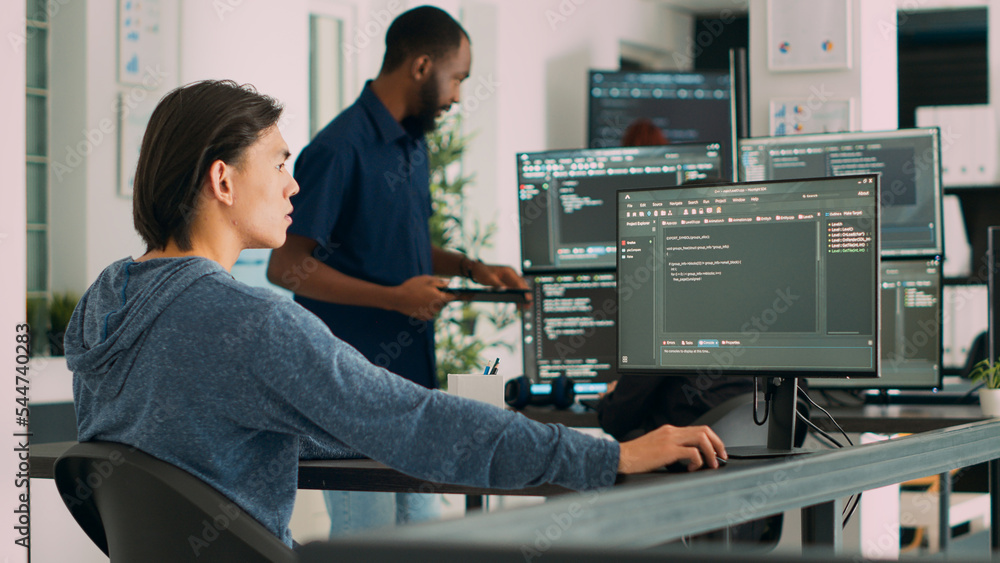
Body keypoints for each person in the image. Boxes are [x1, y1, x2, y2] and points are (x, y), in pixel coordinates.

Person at [65, 79, 728, 550]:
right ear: (223, 180)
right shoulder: (253, 323)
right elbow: (416, 421)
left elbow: (191, 425)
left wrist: (346, 406)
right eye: (279, 162)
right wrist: (606, 455)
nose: (295, 183)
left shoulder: (103, 304)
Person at [266, 6, 525, 533]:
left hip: (412, 392)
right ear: (423, 66)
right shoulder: (338, 149)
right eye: (458, 79)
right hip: (350, 401)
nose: (457, 95)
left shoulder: (412, 144)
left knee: (425, 540)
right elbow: (286, 267)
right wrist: (395, 298)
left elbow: (398, 243)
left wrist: (474, 269)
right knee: (371, 546)